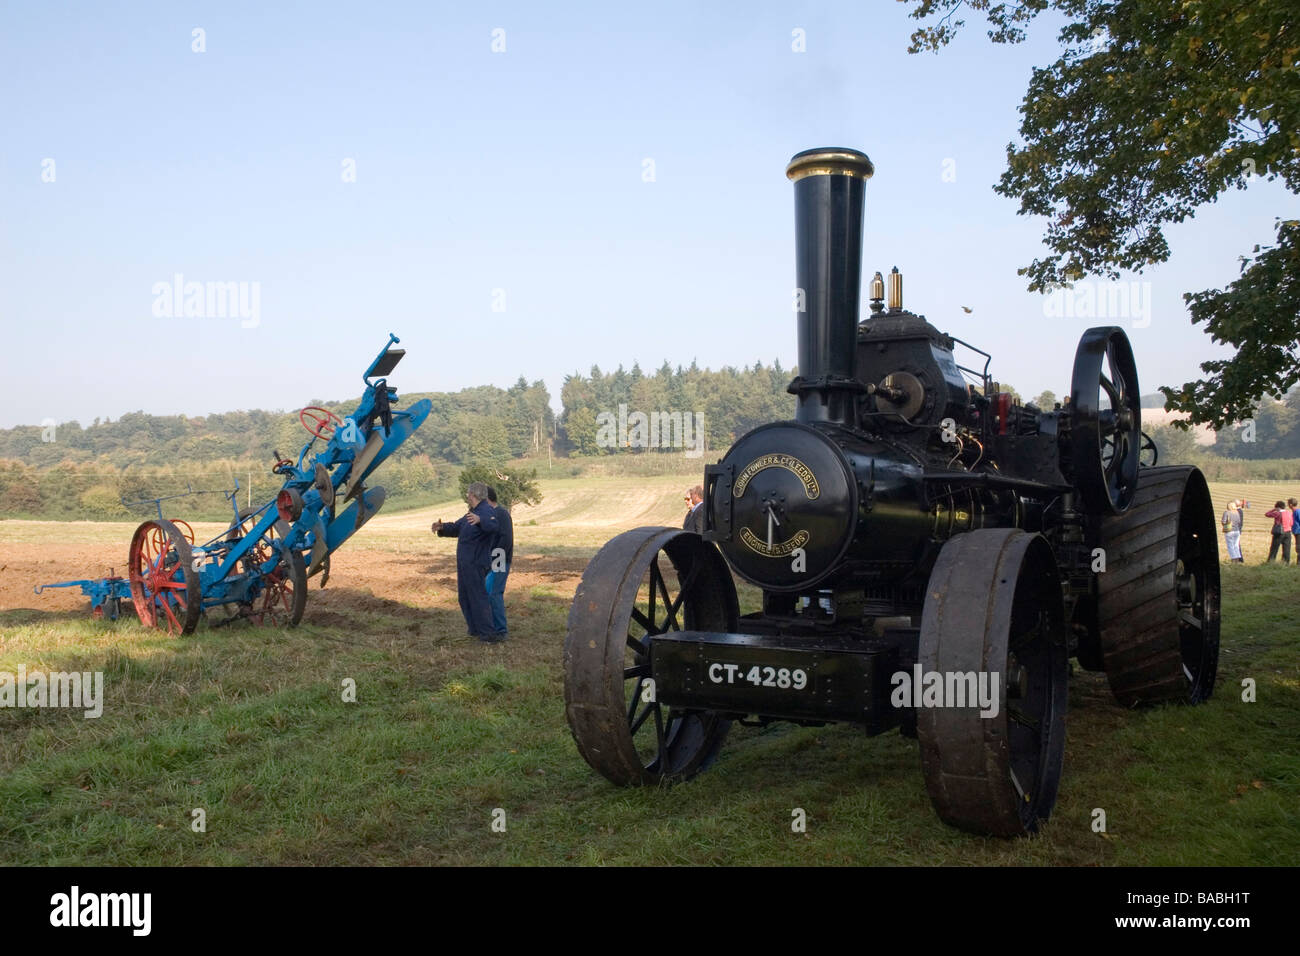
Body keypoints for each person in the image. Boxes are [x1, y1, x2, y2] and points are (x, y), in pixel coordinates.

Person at [432, 481, 501, 642]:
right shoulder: (472, 512)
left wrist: (480, 520)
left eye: (468, 493)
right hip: (465, 563)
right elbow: (457, 527)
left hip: (476, 562)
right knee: (464, 597)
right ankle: (475, 630)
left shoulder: (485, 511)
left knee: (478, 597)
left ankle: (488, 634)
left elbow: (493, 526)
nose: (467, 496)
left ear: (474, 495)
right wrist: (442, 527)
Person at [483, 486, 512, 641]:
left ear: (487, 499)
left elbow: (505, 540)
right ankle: (492, 629)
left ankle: (500, 631)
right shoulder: (490, 515)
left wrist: (493, 560)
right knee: (488, 593)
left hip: (500, 559)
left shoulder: (501, 514)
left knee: (494, 594)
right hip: (493, 560)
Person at [1265, 499, 1293, 564]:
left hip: (1279, 532)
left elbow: (1267, 514)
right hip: (1288, 532)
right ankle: (1285, 562)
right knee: (1286, 548)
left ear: (1278, 507)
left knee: (1274, 548)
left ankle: (1271, 561)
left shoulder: (1278, 513)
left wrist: (1274, 510)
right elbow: (1291, 523)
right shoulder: (1289, 513)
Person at [1222, 499, 1244, 564]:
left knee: (1230, 546)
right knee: (1236, 545)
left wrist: (1225, 524)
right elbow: (1239, 521)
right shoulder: (1237, 512)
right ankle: (1237, 559)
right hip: (1237, 531)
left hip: (1229, 531)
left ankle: (1233, 560)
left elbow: (1223, 521)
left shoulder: (1227, 512)